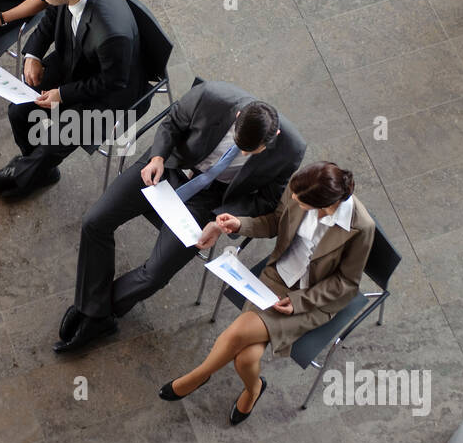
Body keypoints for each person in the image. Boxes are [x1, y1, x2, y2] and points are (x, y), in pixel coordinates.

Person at [54, 82, 306, 353]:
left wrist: (222, 219)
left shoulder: (291, 149)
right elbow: (172, 122)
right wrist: (158, 157)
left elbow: (267, 199)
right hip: (170, 167)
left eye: (251, 152)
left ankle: (96, 313)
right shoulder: (211, 96)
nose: (243, 155)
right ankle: (94, 312)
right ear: (237, 118)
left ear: (275, 135)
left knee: (155, 274)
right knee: (95, 222)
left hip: (210, 201)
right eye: (240, 146)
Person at [159, 163, 374, 424]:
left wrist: (299, 302)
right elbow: (275, 222)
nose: (293, 198)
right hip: (277, 276)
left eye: (301, 200)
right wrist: (240, 224)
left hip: (311, 299)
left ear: (322, 205)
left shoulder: (361, 227)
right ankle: (254, 389)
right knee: (245, 358)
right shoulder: (302, 185)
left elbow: (346, 283)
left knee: (238, 335)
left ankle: (198, 376)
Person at [0, 0, 144, 200]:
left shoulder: (111, 33)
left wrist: (62, 94)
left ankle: (23, 173)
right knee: (18, 112)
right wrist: (33, 55)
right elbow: (51, 16)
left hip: (108, 94)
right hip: (75, 61)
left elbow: (112, 81)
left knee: (55, 142)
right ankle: (39, 172)